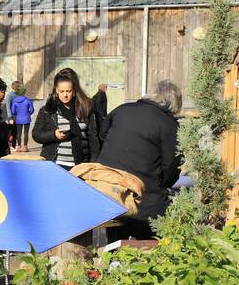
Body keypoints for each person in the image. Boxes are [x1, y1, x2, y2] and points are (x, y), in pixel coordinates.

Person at [98, 79, 182, 235]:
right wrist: (162, 183)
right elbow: (171, 165)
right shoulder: (169, 125)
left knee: (115, 243)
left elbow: (102, 135)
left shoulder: (122, 110)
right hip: (145, 196)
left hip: (111, 189)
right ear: (174, 103)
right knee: (149, 242)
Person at [33, 67, 101, 171]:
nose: (65, 95)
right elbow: (36, 134)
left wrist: (94, 163)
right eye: (62, 91)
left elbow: (93, 138)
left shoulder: (87, 108)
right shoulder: (48, 110)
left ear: (74, 90)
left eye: (68, 91)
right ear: (56, 90)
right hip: (54, 164)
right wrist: (53, 135)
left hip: (81, 166)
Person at [9, 82, 34, 152]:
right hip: (27, 118)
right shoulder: (27, 100)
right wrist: (28, 113)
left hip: (18, 119)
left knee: (18, 133)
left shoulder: (15, 101)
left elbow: (13, 111)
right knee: (26, 133)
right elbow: (32, 110)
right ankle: (25, 147)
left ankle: (19, 147)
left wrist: (17, 113)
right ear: (24, 92)